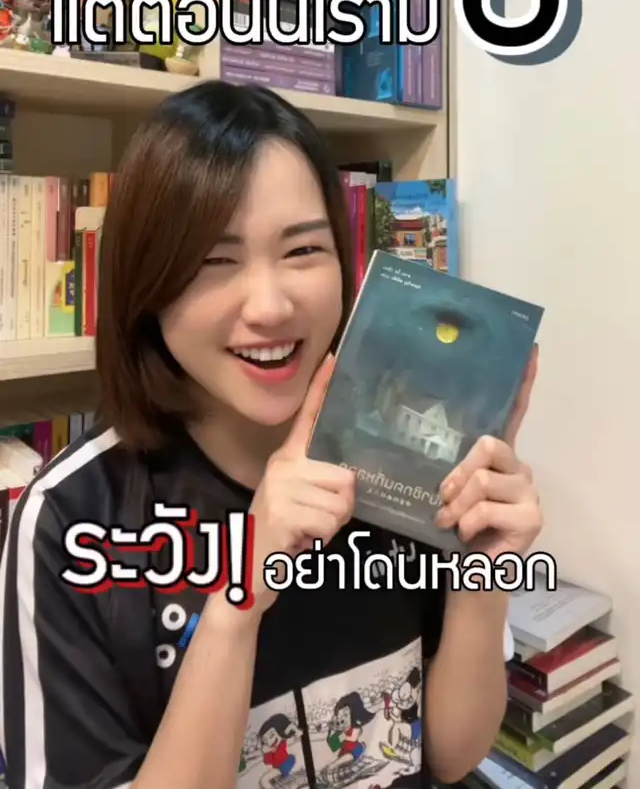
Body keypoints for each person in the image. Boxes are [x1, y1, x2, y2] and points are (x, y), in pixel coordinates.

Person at [0, 81, 542, 789]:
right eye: (214, 260)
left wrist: (483, 574)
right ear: (146, 285)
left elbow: (448, 754)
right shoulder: (73, 520)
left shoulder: (402, 460)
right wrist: (240, 597)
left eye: (303, 250)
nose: (270, 306)